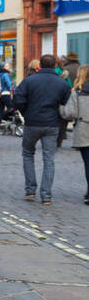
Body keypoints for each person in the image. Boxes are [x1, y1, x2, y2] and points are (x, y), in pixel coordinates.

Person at [13, 54, 72, 204]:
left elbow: (17, 100)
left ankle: (30, 189)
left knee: (27, 154)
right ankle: (46, 195)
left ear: (40, 65)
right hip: (52, 123)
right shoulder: (62, 83)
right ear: (54, 66)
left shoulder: (29, 81)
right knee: (49, 159)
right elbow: (66, 103)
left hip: (32, 122)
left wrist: (26, 112)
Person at [60, 64, 89, 203]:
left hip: (85, 130)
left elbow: (70, 113)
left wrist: (60, 108)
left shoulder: (77, 92)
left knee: (88, 163)